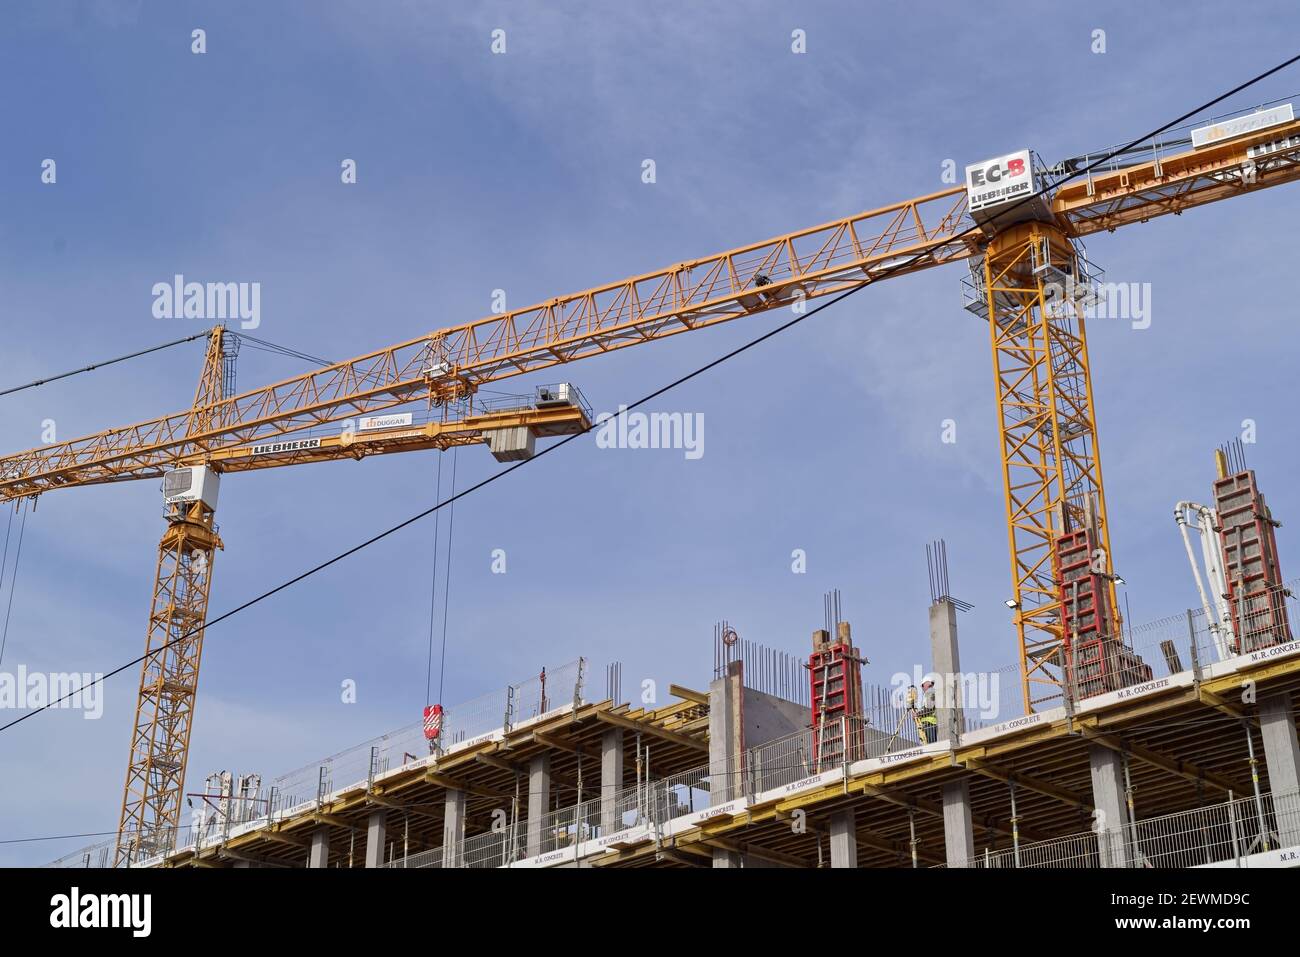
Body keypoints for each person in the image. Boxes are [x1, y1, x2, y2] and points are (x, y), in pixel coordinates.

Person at [916, 678, 938, 743]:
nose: (922, 688)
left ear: (927, 683)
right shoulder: (926, 695)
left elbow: (929, 708)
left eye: (922, 686)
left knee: (931, 745)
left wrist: (918, 714)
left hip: (930, 724)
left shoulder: (931, 692)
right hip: (925, 724)